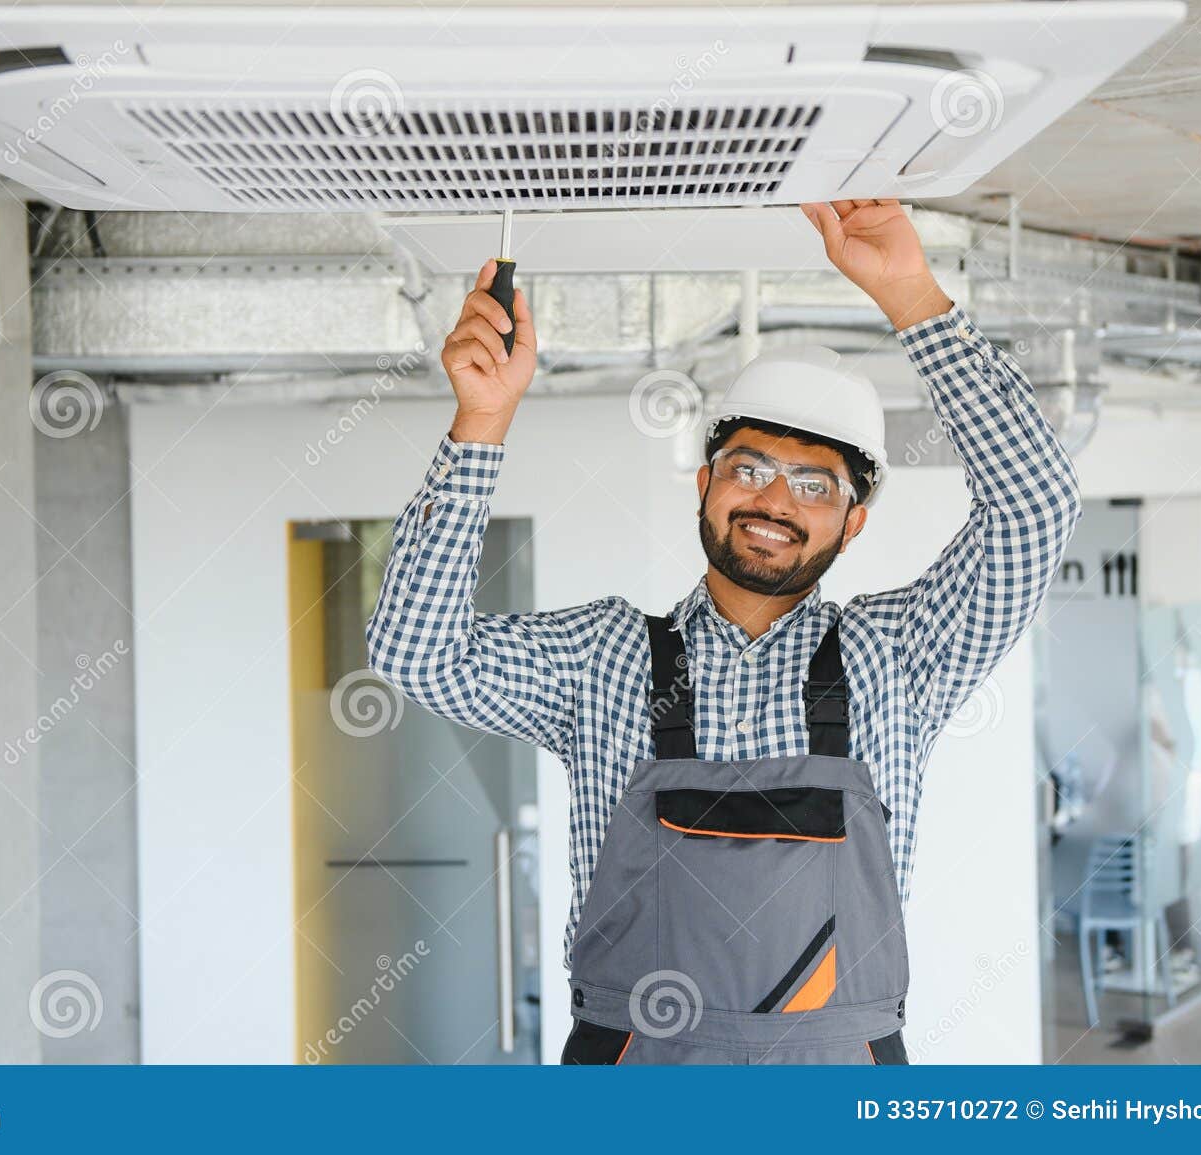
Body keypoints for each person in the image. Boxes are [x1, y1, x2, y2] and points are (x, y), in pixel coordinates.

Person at [365, 199, 1083, 1064]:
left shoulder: (903, 656)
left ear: (852, 523)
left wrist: (911, 296)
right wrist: (480, 421)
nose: (776, 501)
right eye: (750, 468)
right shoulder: (603, 658)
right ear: (705, 483)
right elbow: (415, 650)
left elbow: (1035, 504)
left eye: (815, 485)